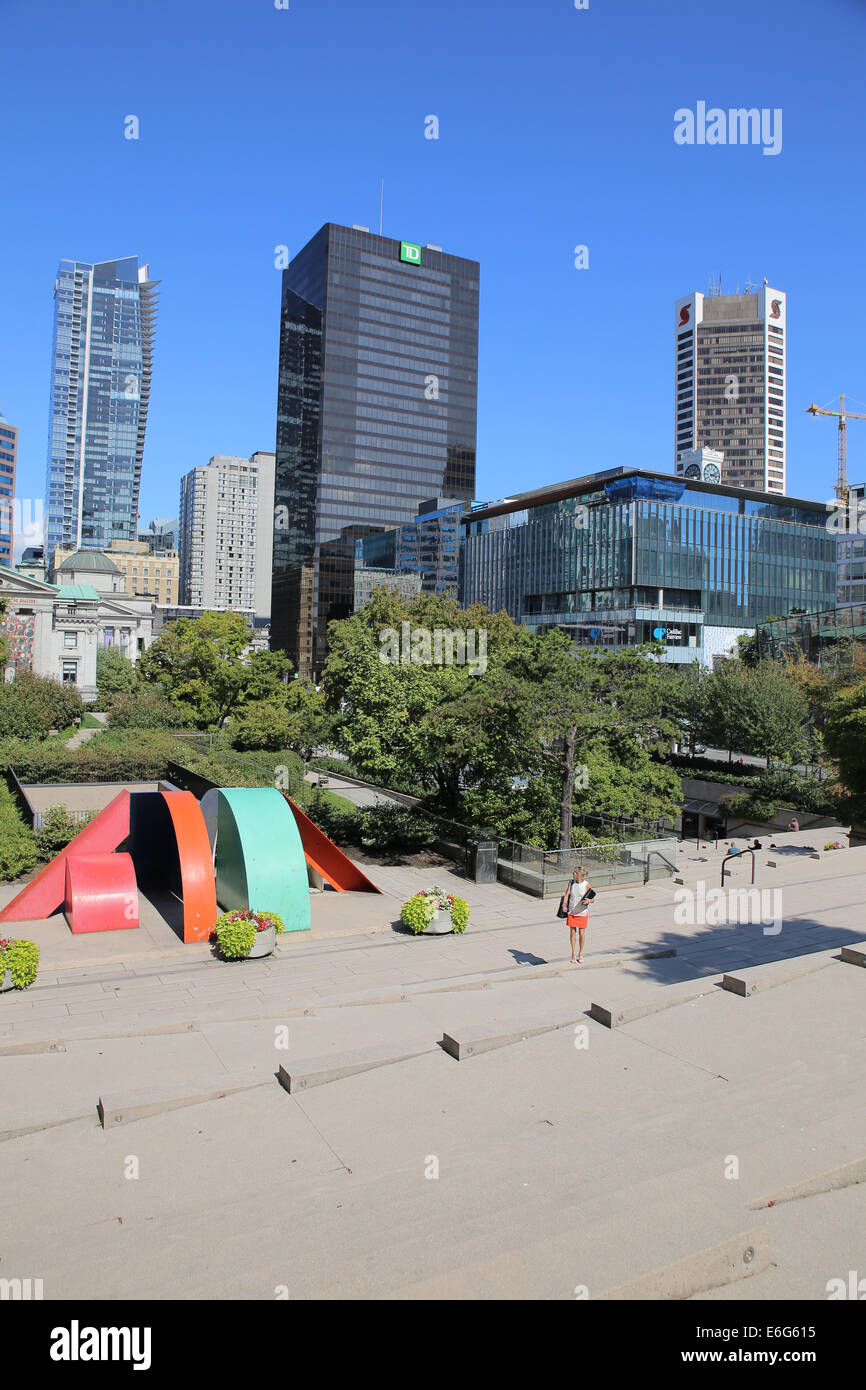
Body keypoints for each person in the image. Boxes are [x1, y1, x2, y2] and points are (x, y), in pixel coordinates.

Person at [560, 865, 593, 965]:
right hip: (572, 911)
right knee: (572, 933)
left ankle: (581, 953)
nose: (572, 874)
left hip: (582, 912)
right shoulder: (571, 882)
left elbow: (593, 899)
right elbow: (567, 894)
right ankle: (573, 953)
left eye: (574, 873)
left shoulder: (586, 885)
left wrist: (589, 900)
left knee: (581, 934)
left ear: (579, 875)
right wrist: (564, 904)